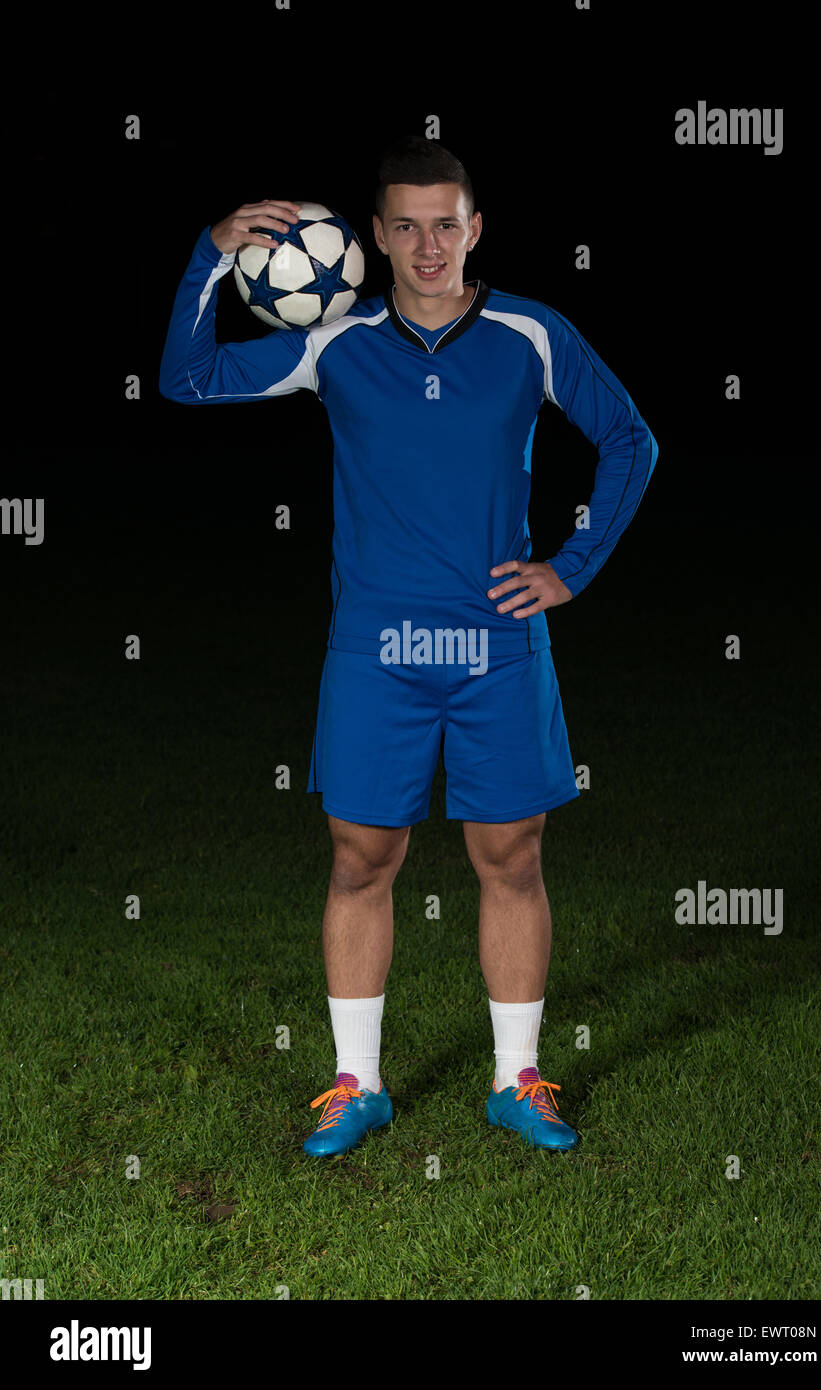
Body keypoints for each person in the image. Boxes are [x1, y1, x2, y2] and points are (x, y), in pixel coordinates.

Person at [159, 134, 658, 1157]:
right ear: (374, 237)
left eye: (447, 223)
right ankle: (358, 1083)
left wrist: (572, 565)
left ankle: (518, 1079)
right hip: (374, 649)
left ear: (474, 229)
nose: (430, 244)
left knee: (510, 854)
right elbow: (186, 376)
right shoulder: (333, 341)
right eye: (407, 225)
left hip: (498, 644)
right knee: (359, 857)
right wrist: (210, 253)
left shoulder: (533, 332)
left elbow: (631, 439)